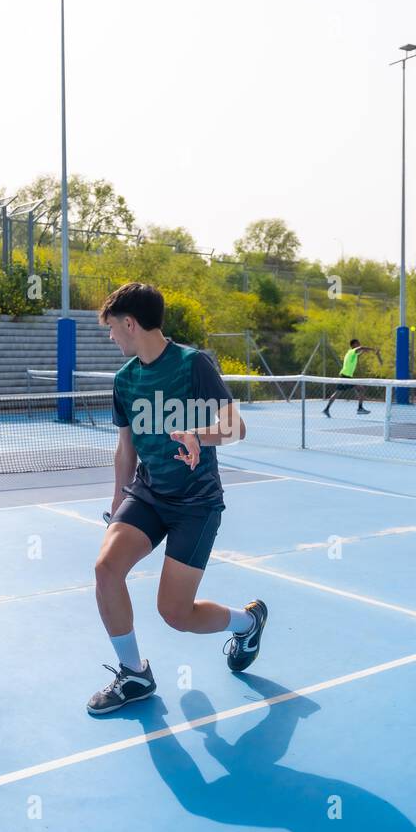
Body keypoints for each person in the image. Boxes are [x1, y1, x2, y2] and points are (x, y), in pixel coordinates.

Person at [87, 282, 269, 715]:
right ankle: (134, 674)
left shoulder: (193, 365)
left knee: (176, 614)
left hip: (196, 504)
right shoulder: (125, 379)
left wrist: (197, 436)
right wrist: (117, 504)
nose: (111, 337)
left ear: (130, 323)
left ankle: (248, 622)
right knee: (106, 568)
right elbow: (126, 447)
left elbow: (235, 428)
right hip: (147, 495)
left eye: (112, 328)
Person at [322, 339, 381, 416]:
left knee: (337, 393)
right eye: (358, 344)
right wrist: (373, 349)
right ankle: (360, 408)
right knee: (361, 389)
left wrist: (366, 351)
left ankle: (326, 409)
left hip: (345, 376)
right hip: (345, 377)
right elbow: (361, 348)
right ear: (353, 345)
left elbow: (359, 352)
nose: (359, 345)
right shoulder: (352, 351)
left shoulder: (351, 353)